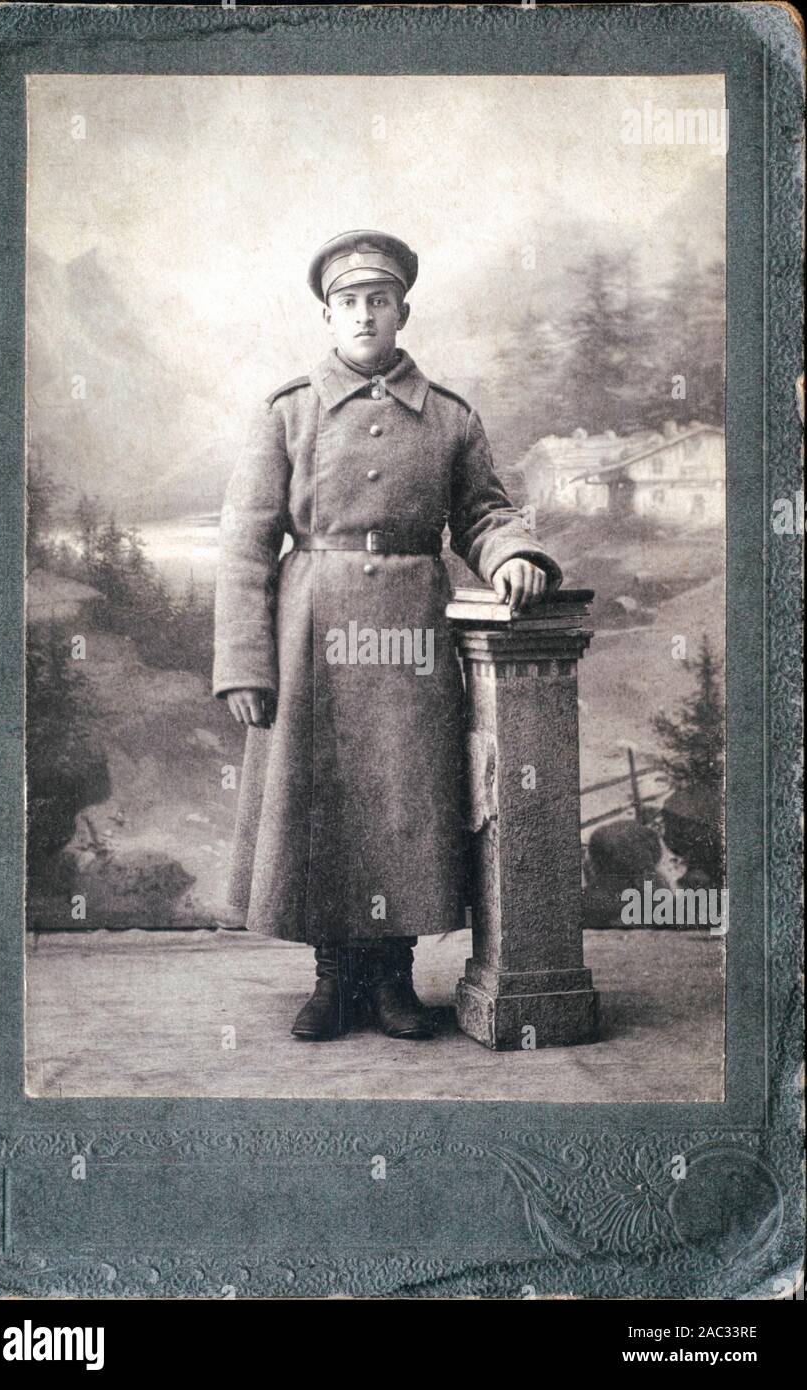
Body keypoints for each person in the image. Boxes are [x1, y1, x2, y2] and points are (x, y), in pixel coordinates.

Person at [213, 229, 563, 1042]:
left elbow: (484, 511)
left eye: (379, 301)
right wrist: (244, 663)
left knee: (407, 802)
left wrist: (512, 553)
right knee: (324, 803)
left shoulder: (449, 418)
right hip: (312, 636)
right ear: (328, 315)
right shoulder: (289, 413)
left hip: (413, 637)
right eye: (348, 303)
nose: (364, 315)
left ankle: (395, 980)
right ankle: (334, 980)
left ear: (402, 311)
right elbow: (244, 543)